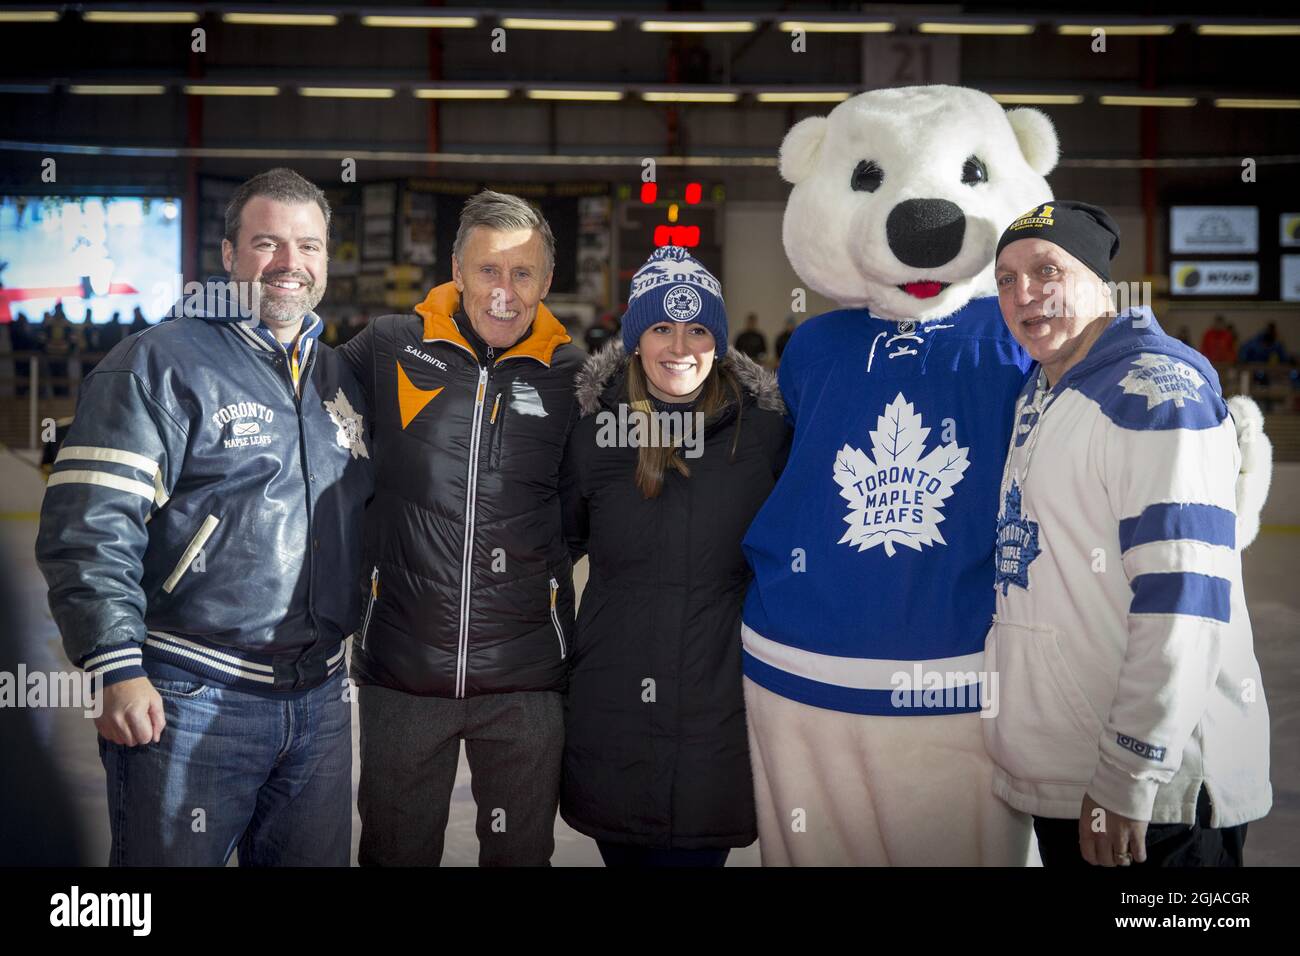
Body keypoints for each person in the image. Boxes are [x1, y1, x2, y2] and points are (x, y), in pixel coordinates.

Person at [36, 167, 374, 866]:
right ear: (227, 256)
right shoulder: (158, 363)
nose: (290, 264)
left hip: (319, 700)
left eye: (309, 247)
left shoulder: (340, 378)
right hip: (188, 697)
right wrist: (113, 665)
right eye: (267, 244)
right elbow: (89, 529)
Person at [987, 200, 1272, 867]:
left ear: (1096, 278)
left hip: (1156, 800)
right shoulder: (1044, 387)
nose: (1022, 291)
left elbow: (1184, 599)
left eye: (1045, 269)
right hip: (1073, 777)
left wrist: (1129, 772)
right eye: (1004, 277)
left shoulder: (1156, 389)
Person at [339, 190, 585, 866]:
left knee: (519, 857)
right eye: (487, 270)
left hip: (527, 678)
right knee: (395, 853)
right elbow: (299, 413)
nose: (504, 291)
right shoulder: (389, 347)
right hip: (403, 669)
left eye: (523, 273)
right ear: (455, 268)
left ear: (547, 280)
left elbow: (581, 509)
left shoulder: (572, 376)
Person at [559, 246, 790, 867]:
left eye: (696, 329)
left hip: (717, 702)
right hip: (615, 702)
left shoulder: (764, 434)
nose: (679, 346)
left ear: (719, 340)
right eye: (661, 327)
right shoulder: (594, 433)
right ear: (636, 339)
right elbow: (557, 545)